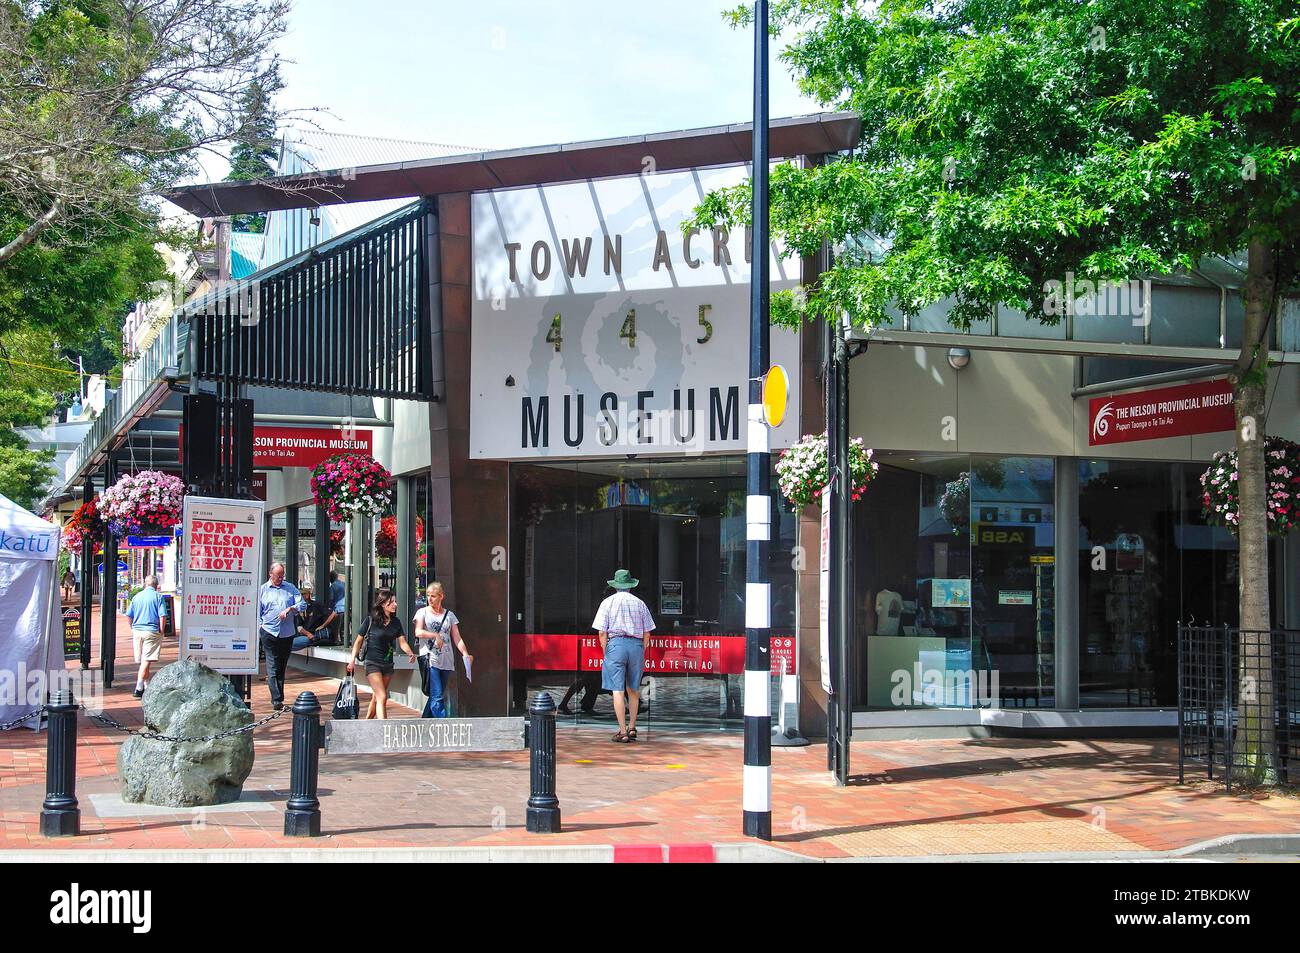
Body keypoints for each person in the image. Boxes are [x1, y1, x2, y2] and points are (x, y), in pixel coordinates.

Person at [591, 568, 655, 743]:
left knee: (617, 691)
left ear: (616, 586)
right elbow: (647, 632)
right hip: (636, 645)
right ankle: (632, 727)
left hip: (615, 644)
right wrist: (641, 648)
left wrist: (607, 650)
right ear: (630, 586)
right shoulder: (639, 603)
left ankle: (622, 731)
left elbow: (602, 632)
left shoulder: (607, 603)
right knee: (633, 690)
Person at [347, 588, 415, 719]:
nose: (395, 604)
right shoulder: (371, 621)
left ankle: (367, 723)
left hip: (387, 665)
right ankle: (384, 728)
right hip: (372, 663)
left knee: (376, 697)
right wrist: (352, 660)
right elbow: (358, 642)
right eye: (392, 602)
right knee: (382, 696)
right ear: (383, 604)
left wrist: (410, 653)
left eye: (395, 602)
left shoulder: (396, 622)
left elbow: (402, 642)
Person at [413, 581, 473, 718]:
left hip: (446, 659)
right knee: (437, 695)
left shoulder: (449, 615)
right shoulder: (422, 612)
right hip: (430, 659)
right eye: (428, 595)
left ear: (441, 596)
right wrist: (435, 635)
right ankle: (443, 724)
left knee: (436, 694)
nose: (430, 598)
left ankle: (425, 722)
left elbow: (457, 638)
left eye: (433, 596)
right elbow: (418, 632)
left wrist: (465, 654)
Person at [258, 562, 306, 711]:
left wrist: (291, 608)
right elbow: (257, 611)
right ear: (270, 574)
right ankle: (277, 699)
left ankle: (279, 697)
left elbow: (302, 604)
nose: (280, 578)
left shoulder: (290, 588)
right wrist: (260, 626)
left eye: (282, 575)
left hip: (286, 633)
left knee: (281, 666)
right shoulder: (263, 590)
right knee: (272, 665)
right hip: (269, 632)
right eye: (278, 575)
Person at [125, 575, 168, 699]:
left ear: (145, 584)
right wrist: (162, 630)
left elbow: (128, 615)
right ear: (156, 585)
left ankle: (146, 685)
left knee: (144, 661)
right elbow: (163, 615)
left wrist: (132, 628)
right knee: (146, 661)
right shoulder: (158, 597)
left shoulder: (136, 597)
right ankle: (138, 688)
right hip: (151, 631)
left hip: (137, 631)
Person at [291, 584, 337, 651]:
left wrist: (323, 626)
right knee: (286, 644)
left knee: (289, 645)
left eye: (300, 595)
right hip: (307, 636)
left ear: (307, 595)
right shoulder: (300, 608)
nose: (298, 597)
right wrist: (308, 634)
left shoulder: (316, 605)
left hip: (317, 636)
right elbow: (299, 627)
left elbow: (334, 614)